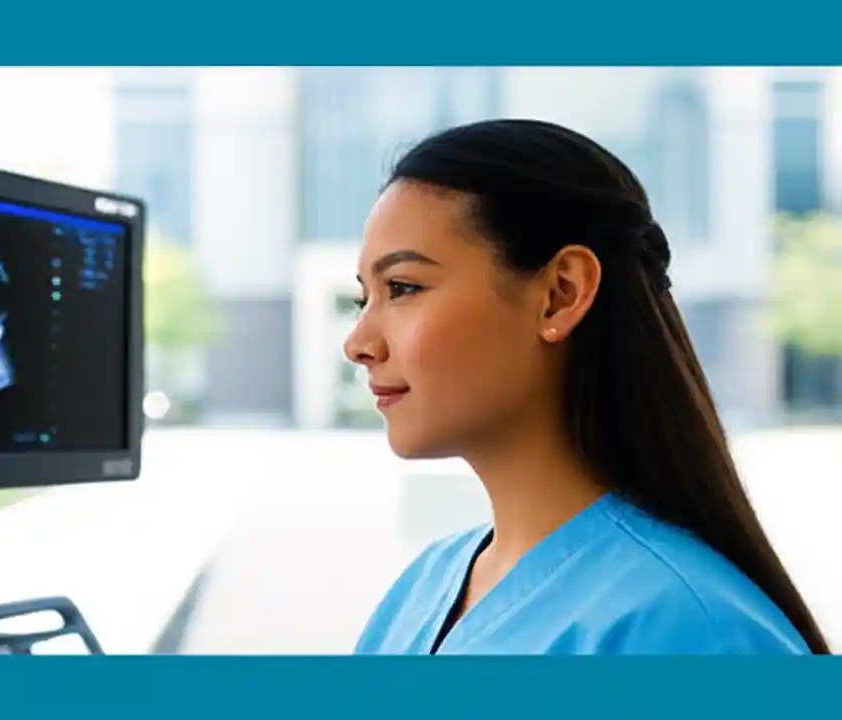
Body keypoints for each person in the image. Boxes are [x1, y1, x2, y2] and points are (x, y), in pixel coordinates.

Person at [345, 119, 830, 655]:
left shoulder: (688, 629)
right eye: (361, 298)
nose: (359, 343)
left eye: (404, 287)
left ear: (560, 293)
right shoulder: (419, 592)